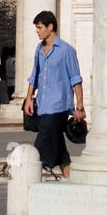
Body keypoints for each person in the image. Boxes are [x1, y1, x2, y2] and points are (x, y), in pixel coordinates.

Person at [22, 11, 85, 178]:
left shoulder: (66, 51)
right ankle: (68, 178)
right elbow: (34, 74)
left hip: (59, 107)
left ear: (50, 27)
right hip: (42, 106)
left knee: (40, 147)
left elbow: (76, 80)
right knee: (59, 146)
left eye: (40, 27)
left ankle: (30, 176)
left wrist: (79, 106)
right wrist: (29, 98)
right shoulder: (39, 49)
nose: (37, 31)